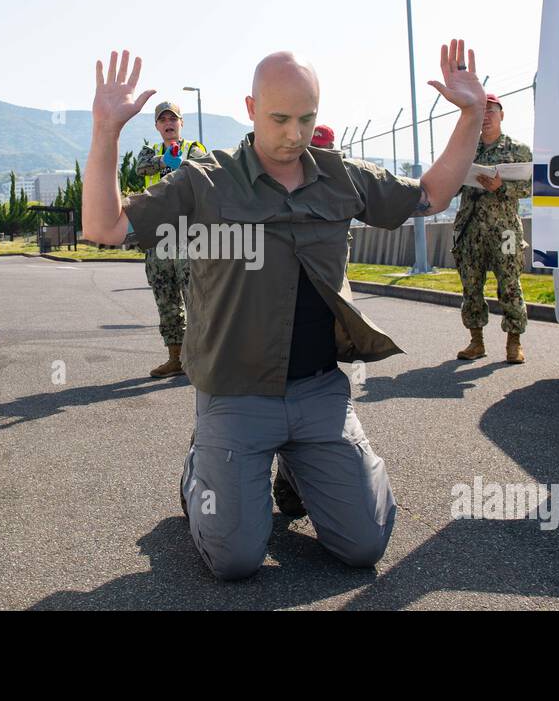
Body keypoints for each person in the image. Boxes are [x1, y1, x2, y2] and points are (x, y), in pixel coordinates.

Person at [82, 43, 486, 580]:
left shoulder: (342, 177)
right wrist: (106, 130)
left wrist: (472, 114)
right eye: (279, 118)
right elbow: (104, 227)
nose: (294, 134)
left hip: (318, 392)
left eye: (306, 119)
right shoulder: (207, 180)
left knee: (364, 544)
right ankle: (199, 471)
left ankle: (295, 469)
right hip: (235, 393)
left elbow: (431, 196)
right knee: (236, 559)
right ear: (250, 109)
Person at [452, 93, 532, 364]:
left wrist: (502, 187)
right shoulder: (465, 150)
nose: (486, 117)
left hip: (506, 231)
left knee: (509, 285)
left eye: (491, 111)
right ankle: (476, 342)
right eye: (481, 112)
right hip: (471, 230)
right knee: (471, 286)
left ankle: (514, 343)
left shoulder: (518, 150)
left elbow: (532, 187)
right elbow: (450, 185)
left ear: (502, 114)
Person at [134, 101, 208, 377]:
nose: (168, 123)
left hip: (188, 234)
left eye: (173, 118)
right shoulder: (149, 152)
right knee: (165, 296)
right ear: (156, 126)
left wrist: (183, 163)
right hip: (157, 235)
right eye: (163, 119)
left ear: (181, 123)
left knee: (196, 295)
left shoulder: (194, 149)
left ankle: (200, 357)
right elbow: (140, 168)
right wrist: (164, 160)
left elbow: (207, 170)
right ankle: (175, 357)